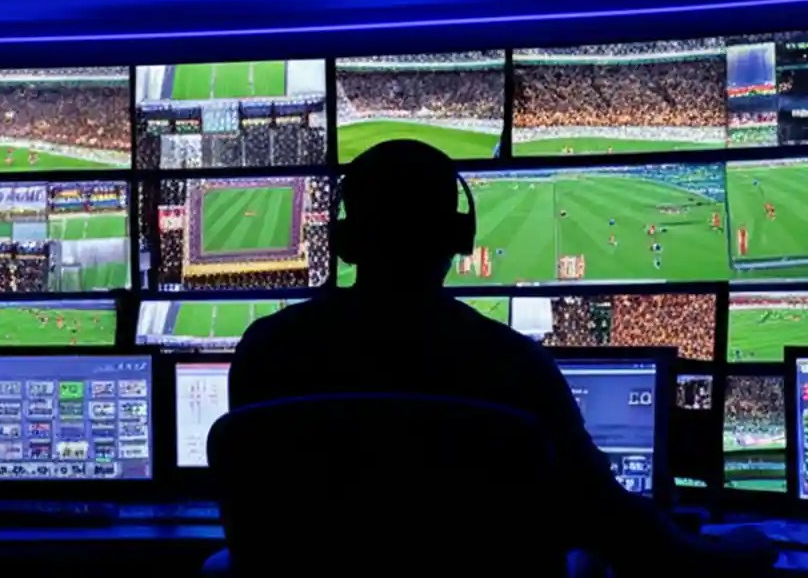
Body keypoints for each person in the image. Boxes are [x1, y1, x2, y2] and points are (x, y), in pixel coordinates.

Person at [230, 140, 776, 576]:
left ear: (347, 241)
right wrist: (746, 548)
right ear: (458, 237)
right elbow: (625, 534)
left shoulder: (265, 351)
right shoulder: (513, 365)